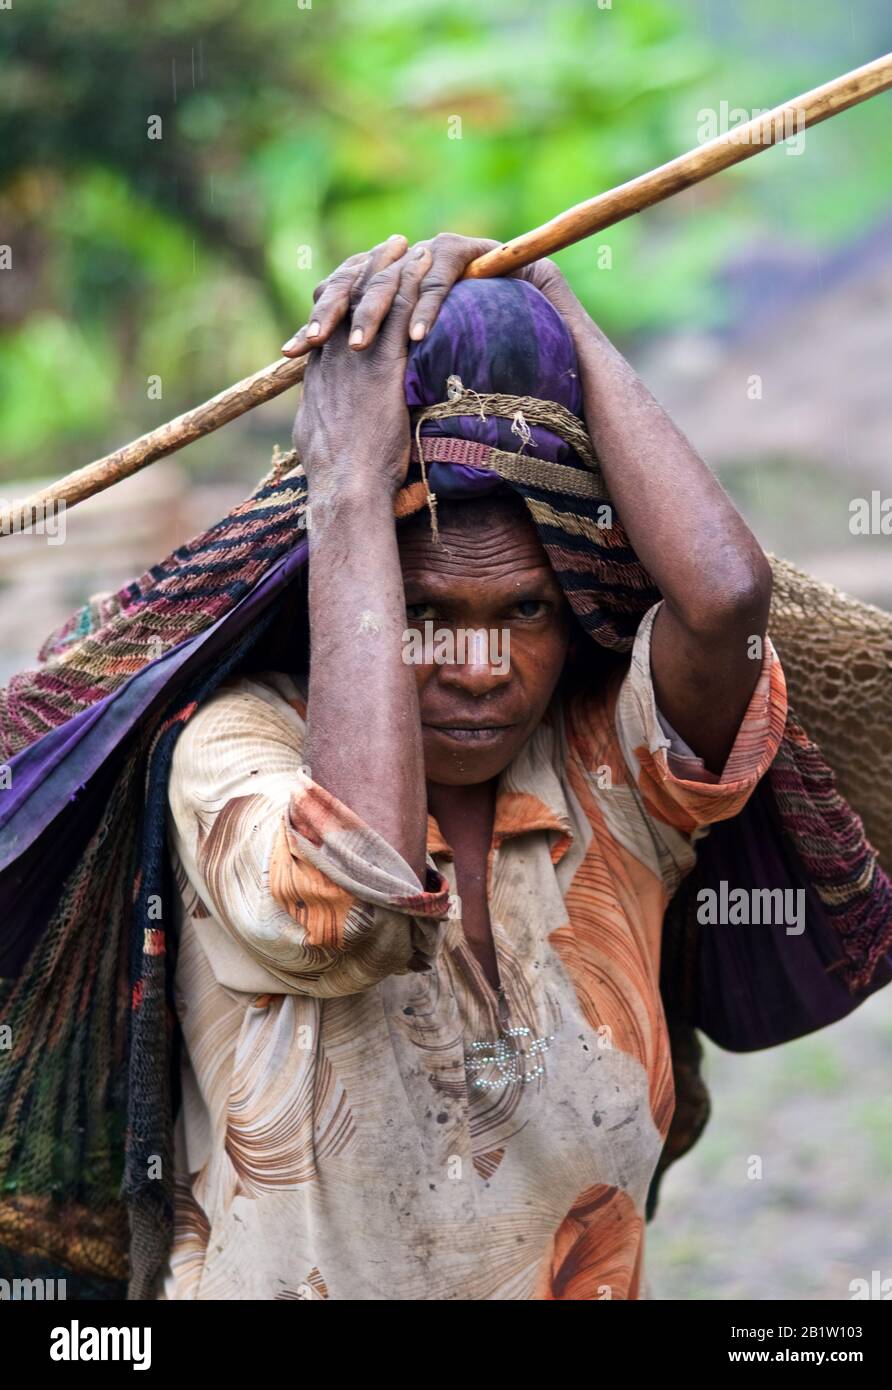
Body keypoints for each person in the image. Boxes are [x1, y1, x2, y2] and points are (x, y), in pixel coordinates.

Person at [155, 232, 789, 1300]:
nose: (479, 667)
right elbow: (351, 898)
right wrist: (347, 480)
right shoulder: (235, 753)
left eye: (524, 611)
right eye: (421, 614)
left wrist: (555, 307)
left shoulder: (606, 778)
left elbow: (723, 603)